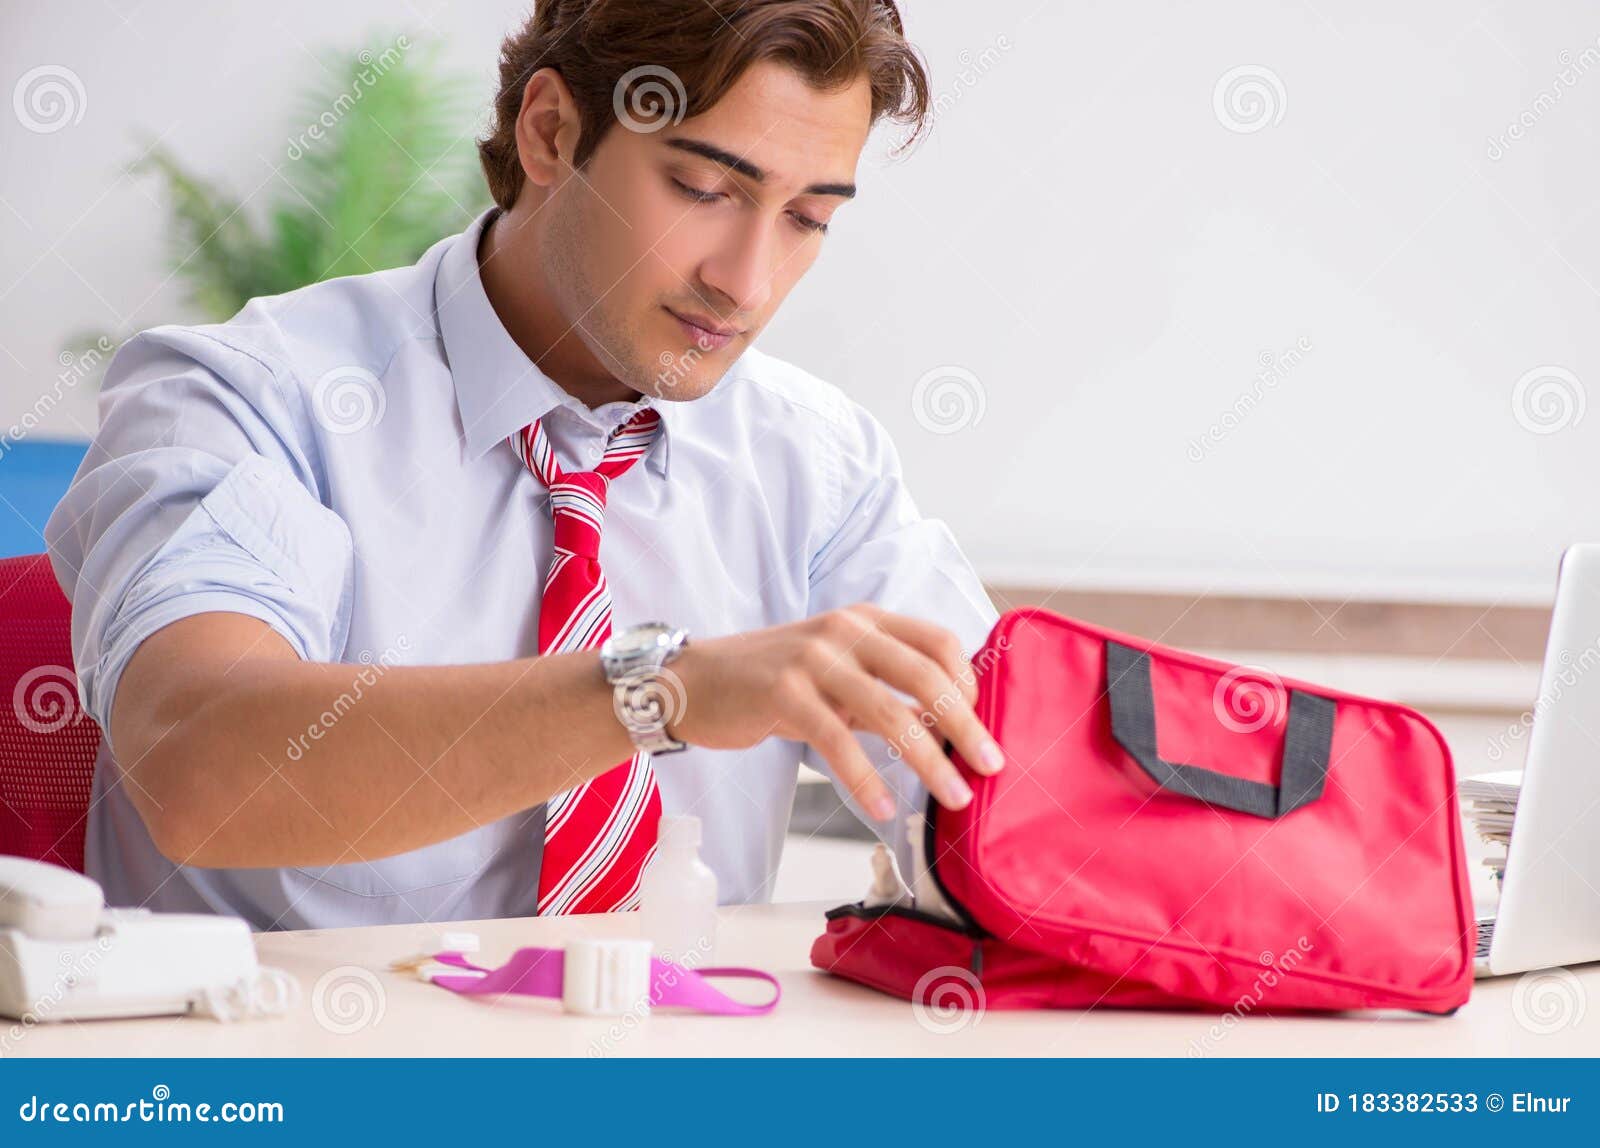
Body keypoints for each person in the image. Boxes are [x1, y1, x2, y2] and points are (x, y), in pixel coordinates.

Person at [44, 0, 1004, 931]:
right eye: (704, 189)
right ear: (550, 133)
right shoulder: (251, 398)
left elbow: (1008, 783)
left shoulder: (817, 462)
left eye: (807, 217)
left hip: (685, 1038)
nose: (746, 283)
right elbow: (198, 770)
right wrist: (658, 689)